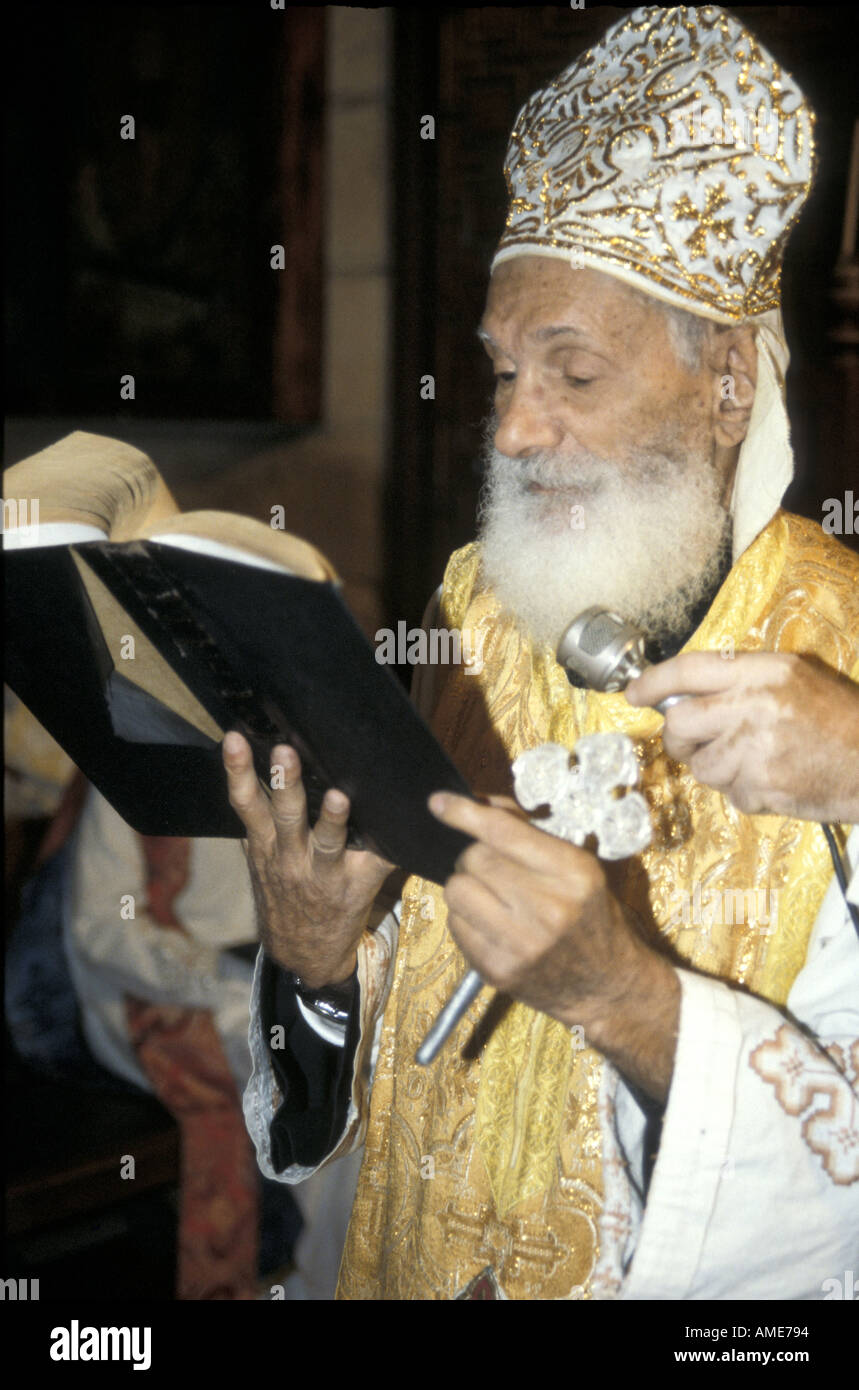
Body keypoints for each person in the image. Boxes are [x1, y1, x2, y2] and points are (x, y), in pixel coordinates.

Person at [229, 5, 859, 1299]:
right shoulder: (475, 607)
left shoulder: (844, 670)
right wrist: (315, 962)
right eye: (503, 370)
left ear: (728, 382)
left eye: (571, 374)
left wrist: (626, 998)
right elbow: (364, 1101)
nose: (512, 430)